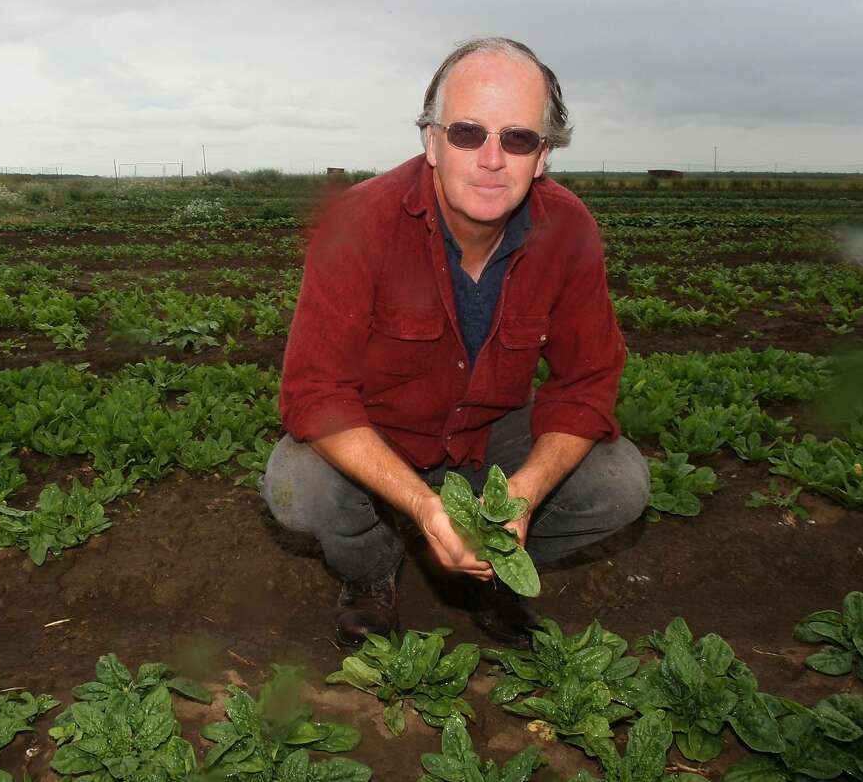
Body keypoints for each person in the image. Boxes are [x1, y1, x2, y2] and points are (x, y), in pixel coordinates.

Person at [261, 37, 649, 647]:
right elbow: (314, 393)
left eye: (518, 138)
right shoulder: (361, 223)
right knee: (298, 484)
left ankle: (491, 568)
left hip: (490, 432)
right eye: (468, 133)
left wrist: (525, 493)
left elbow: (587, 382)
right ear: (431, 140)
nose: (492, 159)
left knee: (619, 482)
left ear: (543, 156)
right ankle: (371, 568)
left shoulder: (568, 229)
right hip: (383, 429)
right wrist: (421, 505)